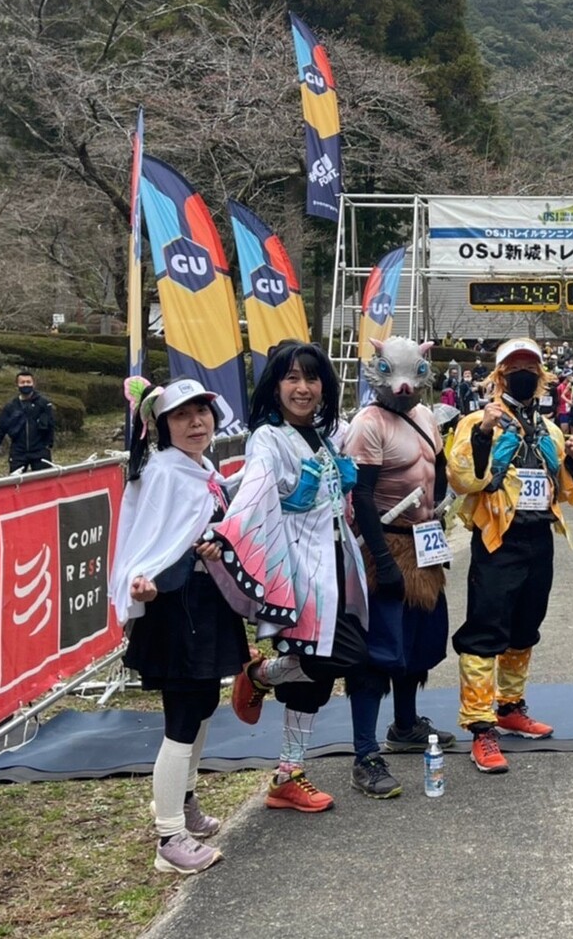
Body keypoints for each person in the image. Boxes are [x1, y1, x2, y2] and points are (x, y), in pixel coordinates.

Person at [215, 341, 366, 813]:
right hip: (300, 571)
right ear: (275, 385)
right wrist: (227, 534)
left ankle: (287, 773)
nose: (303, 388)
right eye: (292, 378)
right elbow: (254, 492)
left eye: (312, 378)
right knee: (338, 656)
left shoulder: (323, 434)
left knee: (314, 681)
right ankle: (261, 673)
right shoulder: (268, 438)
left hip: (337, 563)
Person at [109, 377, 247, 875]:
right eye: (182, 416)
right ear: (161, 426)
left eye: (202, 413)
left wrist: (211, 544)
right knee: (183, 716)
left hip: (206, 603)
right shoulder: (163, 472)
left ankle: (184, 802)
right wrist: (140, 586)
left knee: (204, 703)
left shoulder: (201, 468)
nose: (196, 423)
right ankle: (169, 835)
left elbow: (195, 531)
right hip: (177, 608)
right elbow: (142, 542)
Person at [448, 338, 573, 773]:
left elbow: (566, 491)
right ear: (499, 375)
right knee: (485, 629)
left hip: (538, 536)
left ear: (542, 377)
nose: (524, 372)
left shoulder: (550, 430)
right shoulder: (476, 419)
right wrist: (485, 434)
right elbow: (462, 479)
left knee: (525, 626)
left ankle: (510, 707)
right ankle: (480, 725)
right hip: (497, 539)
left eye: (531, 366)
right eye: (515, 366)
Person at [340, 337, 455, 799]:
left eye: (413, 374)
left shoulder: (426, 416)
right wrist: (383, 560)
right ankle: (365, 753)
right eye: (393, 373)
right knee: (376, 653)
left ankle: (405, 725)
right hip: (382, 545)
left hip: (424, 545)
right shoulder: (368, 424)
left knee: (419, 643)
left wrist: (442, 509)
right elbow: (361, 495)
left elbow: (438, 468)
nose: (403, 386)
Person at [0, 369, 55, 472]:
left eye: (28, 382)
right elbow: (1, 428)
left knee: (45, 482)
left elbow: (51, 424)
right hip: (18, 451)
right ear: (17, 385)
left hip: (40, 450)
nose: (25, 385)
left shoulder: (43, 403)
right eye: (22, 382)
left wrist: (49, 444)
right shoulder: (11, 406)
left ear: (33, 384)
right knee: (15, 484)